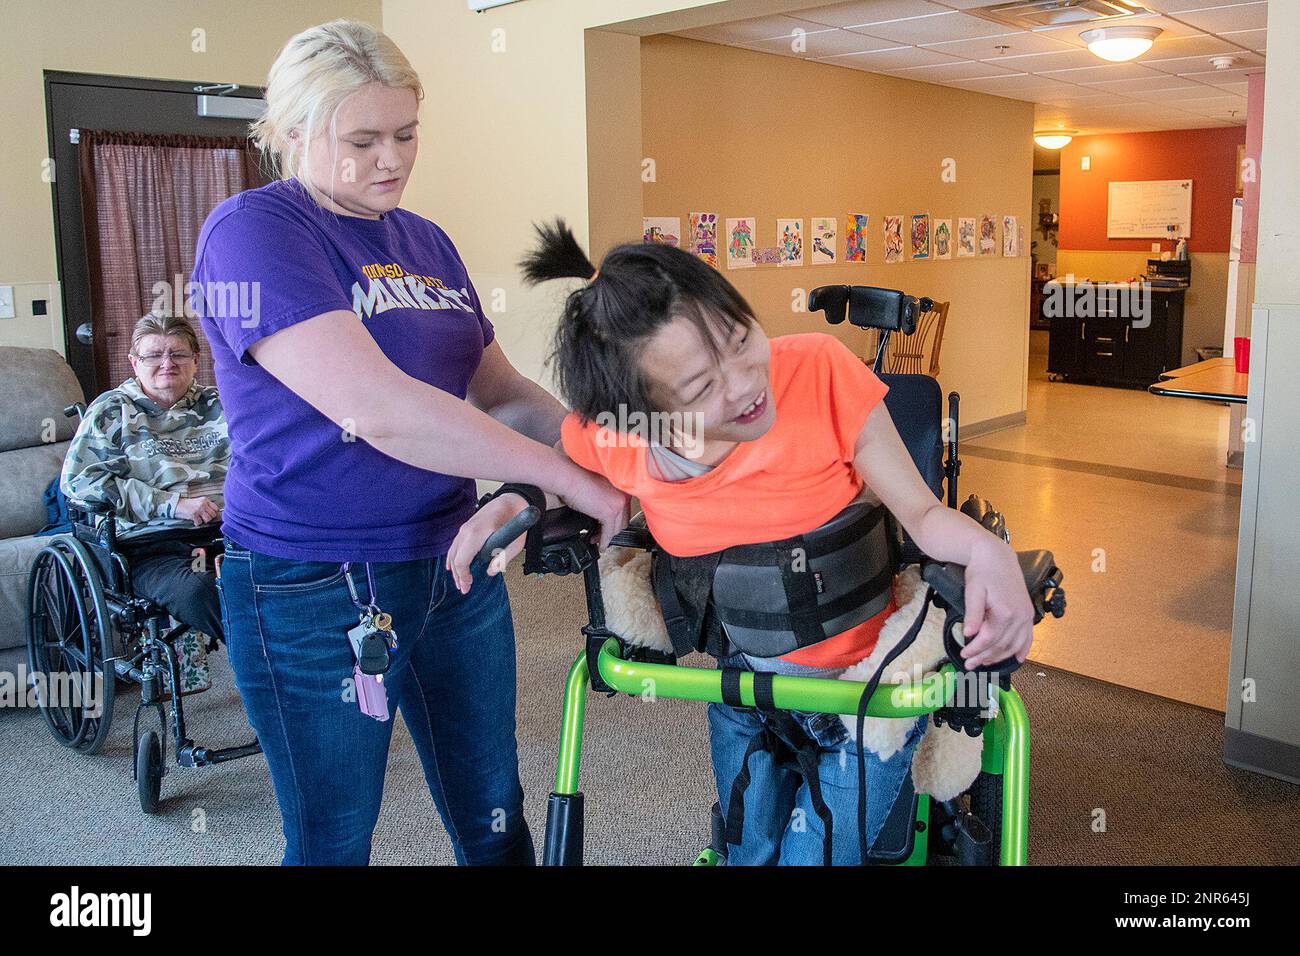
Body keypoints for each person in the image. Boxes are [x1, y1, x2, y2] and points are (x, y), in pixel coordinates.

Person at [449, 221, 1035, 865]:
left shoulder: (818, 373)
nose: (746, 382)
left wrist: (990, 552)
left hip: (865, 695)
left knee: (815, 858)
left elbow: (924, 516)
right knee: (745, 852)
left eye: (739, 336)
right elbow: (563, 461)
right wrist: (523, 495)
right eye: (701, 387)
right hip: (743, 687)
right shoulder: (620, 439)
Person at [190, 20, 625, 866]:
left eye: (406, 134)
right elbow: (377, 408)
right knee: (335, 836)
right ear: (291, 134)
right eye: (362, 140)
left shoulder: (424, 241)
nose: (391, 159)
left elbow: (498, 392)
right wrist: (566, 483)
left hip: (453, 561)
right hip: (315, 583)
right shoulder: (256, 232)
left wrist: (601, 454)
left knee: (494, 807)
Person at [61, 312, 227, 650]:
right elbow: (80, 482)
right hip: (152, 548)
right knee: (200, 591)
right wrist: (173, 505)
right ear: (135, 362)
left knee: (295, 571)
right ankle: (270, 675)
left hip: (229, 536)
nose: (167, 363)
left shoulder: (220, 404)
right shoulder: (112, 411)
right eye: (154, 355)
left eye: (178, 354)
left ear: (196, 360)